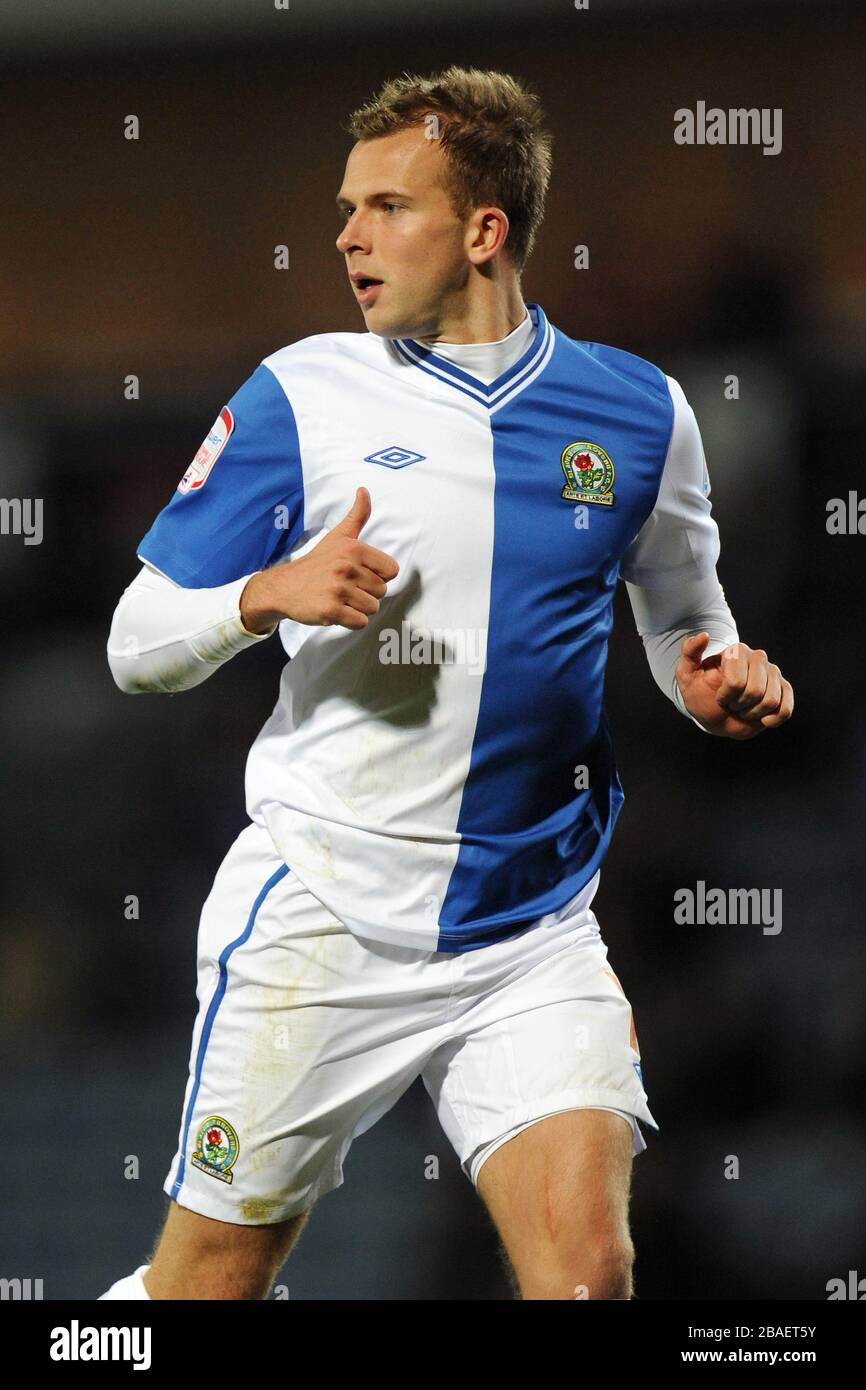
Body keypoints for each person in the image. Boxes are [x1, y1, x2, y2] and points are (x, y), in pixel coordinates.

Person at [100, 65, 793, 1301]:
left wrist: (708, 677)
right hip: (324, 908)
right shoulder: (302, 394)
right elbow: (134, 638)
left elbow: (682, 617)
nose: (345, 235)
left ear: (483, 232)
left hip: (529, 928)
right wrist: (265, 595)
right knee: (205, 1289)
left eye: (383, 205)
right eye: (342, 207)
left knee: (586, 1275)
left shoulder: (639, 413)